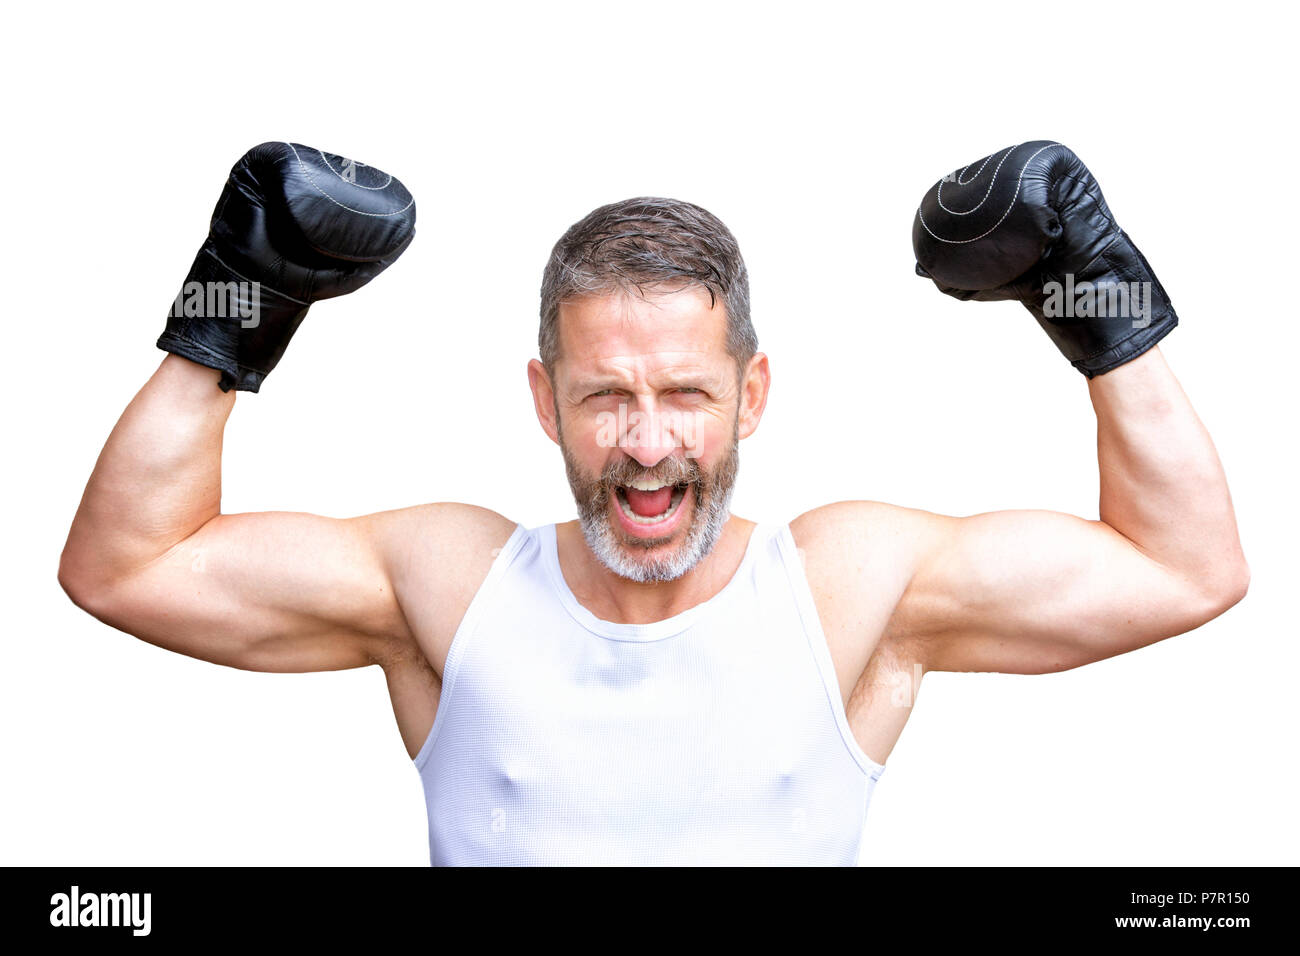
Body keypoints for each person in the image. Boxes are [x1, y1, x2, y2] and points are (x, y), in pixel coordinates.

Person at [58, 140, 1249, 866]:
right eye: (604, 397)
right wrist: (240, 302)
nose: (644, 445)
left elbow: (1183, 567)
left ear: (751, 393)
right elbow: (128, 567)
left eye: (685, 393)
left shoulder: (842, 589)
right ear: (543, 398)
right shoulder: (449, 585)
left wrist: (1094, 297)